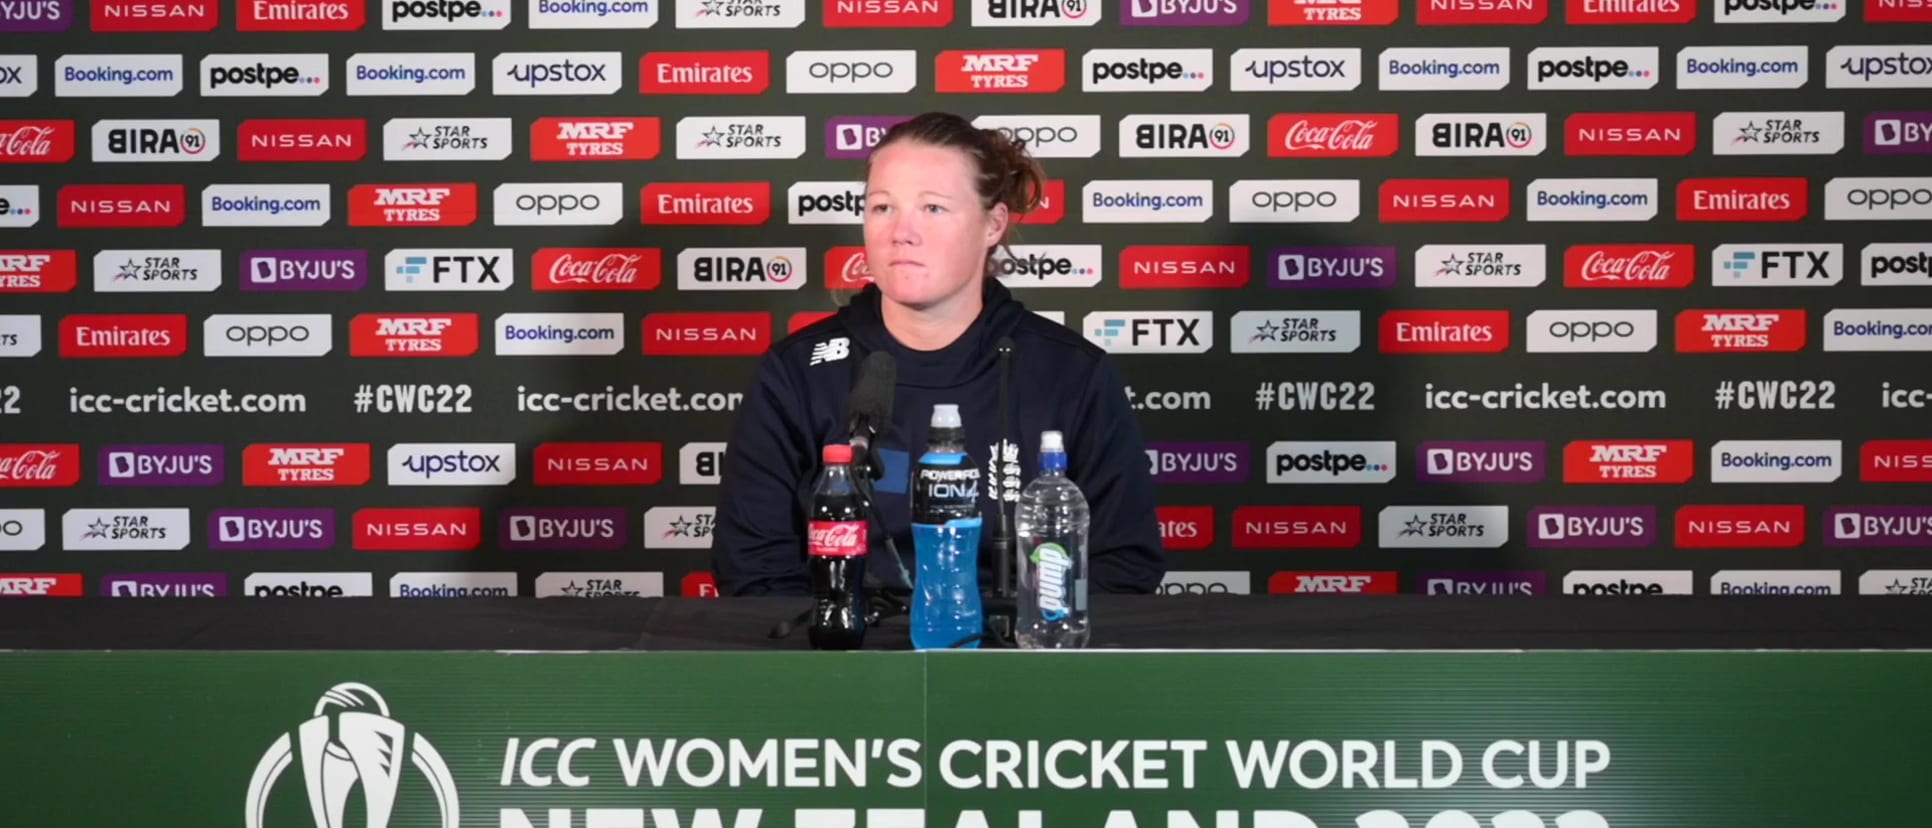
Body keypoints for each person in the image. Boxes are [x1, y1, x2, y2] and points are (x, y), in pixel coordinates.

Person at [712, 111, 1166, 597]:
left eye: (932, 208)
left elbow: (1122, 564)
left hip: (1021, 644)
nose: (901, 232)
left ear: (993, 224)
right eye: (882, 207)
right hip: (843, 643)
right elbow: (753, 569)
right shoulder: (797, 371)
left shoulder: (1071, 372)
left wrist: (1018, 635)